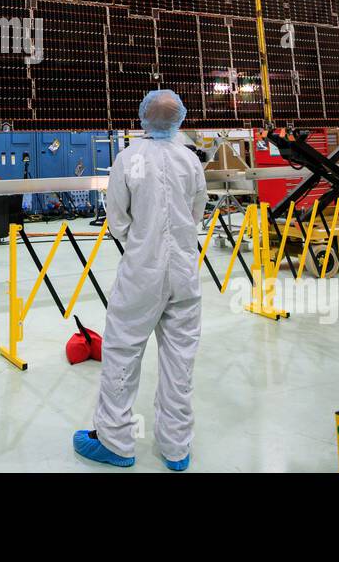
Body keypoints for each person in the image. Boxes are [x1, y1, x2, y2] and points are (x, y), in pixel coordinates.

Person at [74, 90, 207, 471]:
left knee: (122, 351)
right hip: (184, 272)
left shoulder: (128, 158)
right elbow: (195, 215)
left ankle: (116, 442)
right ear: (179, 119)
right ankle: (177, 449)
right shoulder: (190, 161)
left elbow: (117, 220)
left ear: (143, 117)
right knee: (180, 359)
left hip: (141, 274)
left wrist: (144, 242)